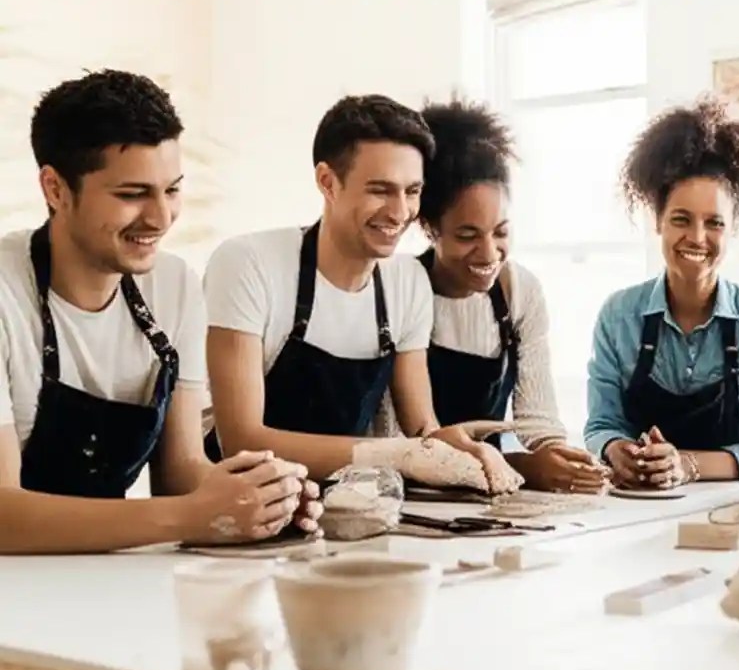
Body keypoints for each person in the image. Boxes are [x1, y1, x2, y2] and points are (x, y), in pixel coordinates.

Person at [0, 69, 319, 553]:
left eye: (171, 190)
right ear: (55, 189)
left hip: (99, 578)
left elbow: (180, 470)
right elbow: (5, 516)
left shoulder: (174, 285)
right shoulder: (7, 292)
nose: (160, 218)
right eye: (132, 195)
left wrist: (259, 500)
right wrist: (191, 515)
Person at [204, 94, 475, 480]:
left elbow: (421, 430)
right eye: (380, 190)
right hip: (241, 504)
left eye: (412, 191)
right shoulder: (249, 263)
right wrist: (398, 454)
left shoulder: (407, 282)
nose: (400, 212)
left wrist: (464, 450)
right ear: (327, 182)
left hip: (347, 504)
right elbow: (241, 441)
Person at [584, 95, 739, 487]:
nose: (697, 238)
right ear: (658, 221)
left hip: (733, 514)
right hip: (634, 508)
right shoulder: (618, 316)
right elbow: (602, 424)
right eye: (681, 219)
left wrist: (686, 465)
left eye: (714, 223)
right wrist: (617, 450)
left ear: (733, 228)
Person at [412, 97, 602, 494]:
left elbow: (538, 420)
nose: (488, 254)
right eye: (467, 236)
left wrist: (559, 457)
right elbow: (404, 441)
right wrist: (524, 467)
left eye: (500, 232)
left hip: (492, 492)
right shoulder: (405, 291)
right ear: (430, 228)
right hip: (419, 491)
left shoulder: (518, 291)